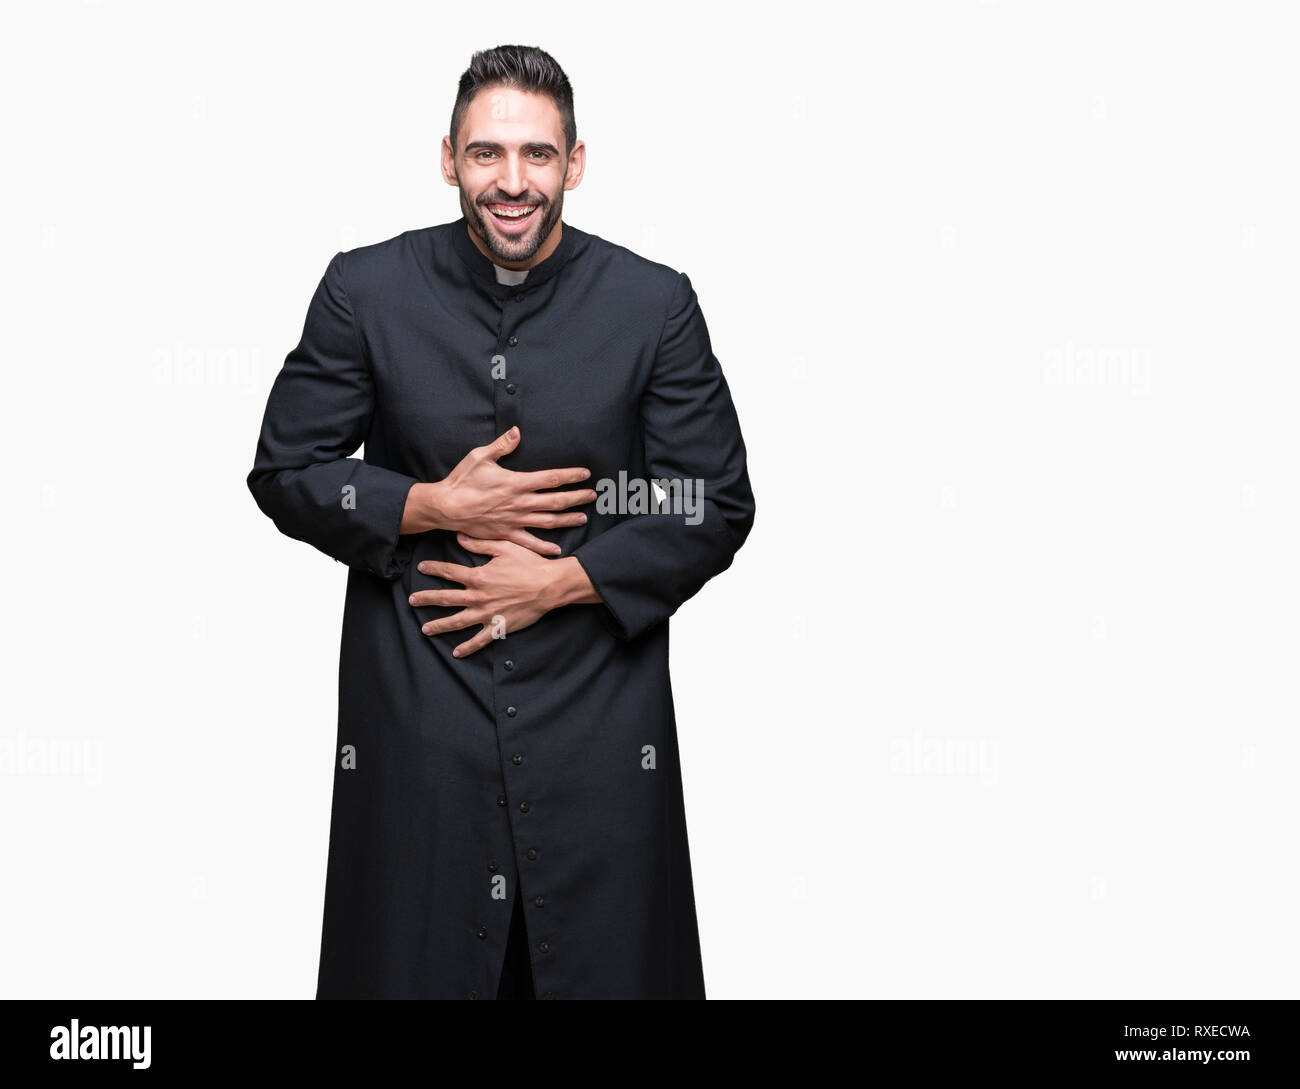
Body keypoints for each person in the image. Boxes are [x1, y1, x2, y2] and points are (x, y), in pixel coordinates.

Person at [247, 43, 755, 1000]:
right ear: (448, 159)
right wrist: (429, 503)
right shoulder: (366, 290)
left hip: (600, 733)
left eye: (536, 155)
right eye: (486, 155)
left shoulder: (654, 305)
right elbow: (286, 468)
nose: (511, 182)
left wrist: (565, 578)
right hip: (419, 730)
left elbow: (710, 497)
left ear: (575, 162)